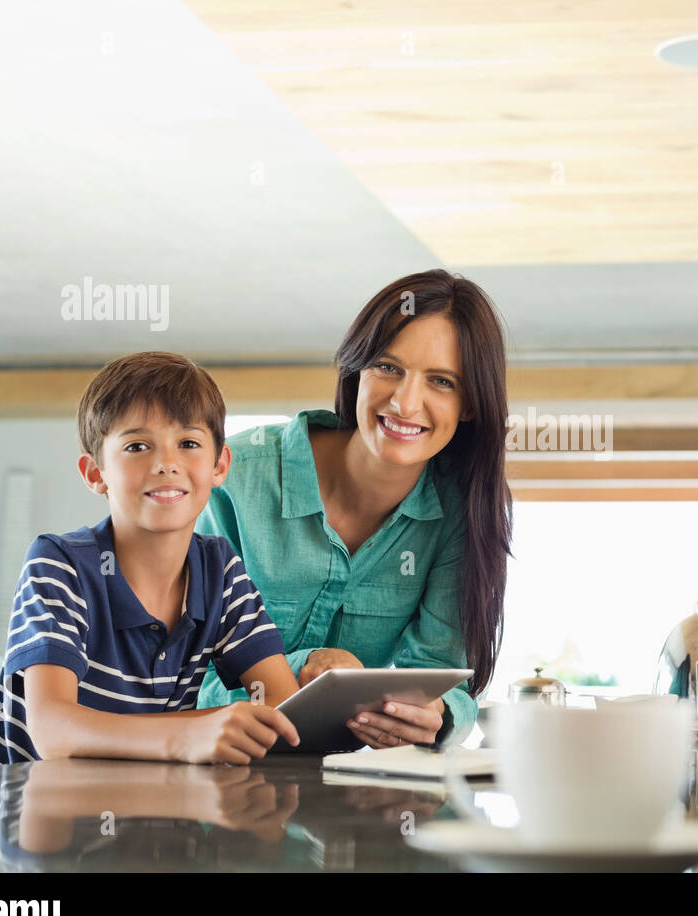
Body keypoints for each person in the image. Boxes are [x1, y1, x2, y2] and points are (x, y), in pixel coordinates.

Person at [195, 269, 512, 749]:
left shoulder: (459, 513)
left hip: (339, 791)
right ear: (356, 369)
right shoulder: (234, 481)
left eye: (442, 381)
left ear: (470, 404)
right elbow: (185, 682)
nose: (406, 402)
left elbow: (442, 680)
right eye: (388, 367)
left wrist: (436, 717)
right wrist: (304, 667)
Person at [0, 352, 301, 767]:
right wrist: (190, 734)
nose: (166, 464)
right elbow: (53, 731)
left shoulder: (219, 569)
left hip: (154, 813)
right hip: (44, 815)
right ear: (96, 473)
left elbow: (282, 706)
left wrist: (205, 730)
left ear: (220, 465)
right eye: (137, 446)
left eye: (188, 443)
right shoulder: (59, 564)